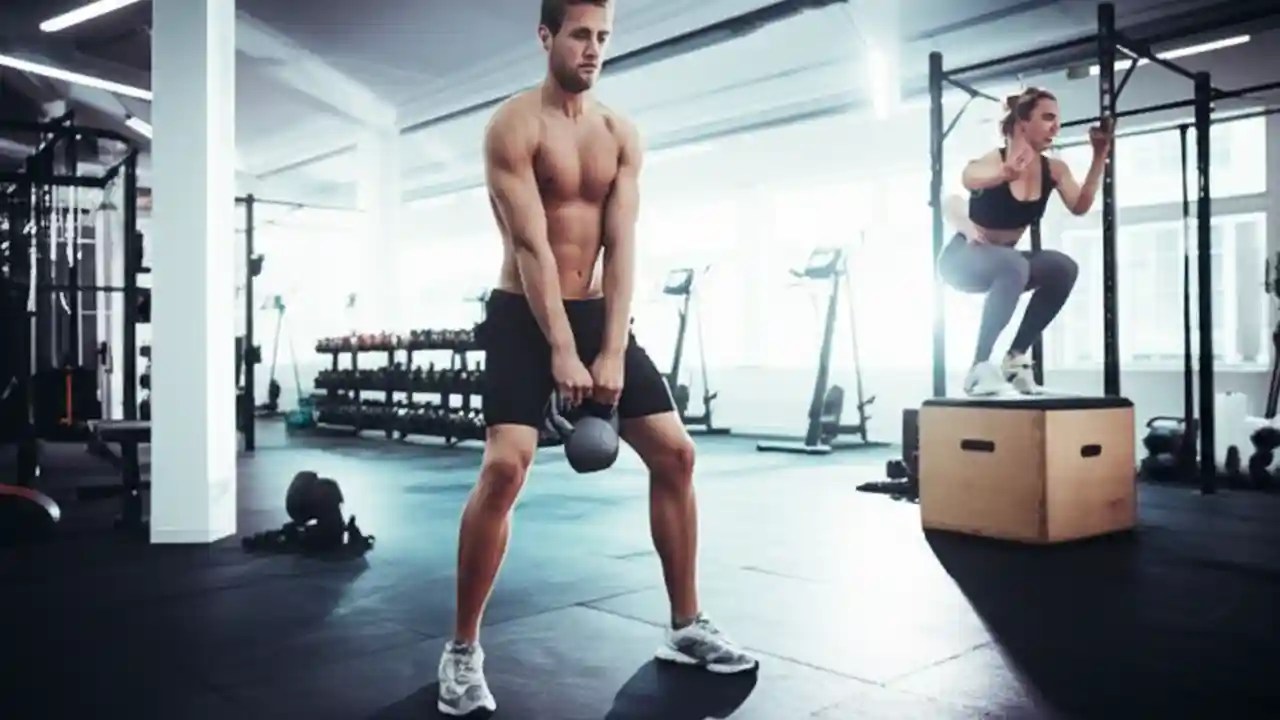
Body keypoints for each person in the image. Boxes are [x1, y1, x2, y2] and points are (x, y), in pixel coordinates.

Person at [436, 1, 759, 715]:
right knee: (503, 466)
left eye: (603, 38)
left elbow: (623, 246)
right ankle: (462, 650)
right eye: (580, 34)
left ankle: (685, 627)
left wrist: (610, 347)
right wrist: (560, 349)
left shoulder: (620, 134)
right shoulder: (512, 126)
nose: (593, 50)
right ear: (546, 36)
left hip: (596, 312)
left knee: (676, 455)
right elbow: (531, 248)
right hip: (523, 314)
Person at [940, 87, 1113, 396]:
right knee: (1015, 264)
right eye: (1047, 118)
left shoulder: (1054, 170)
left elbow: (1080, 205)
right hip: (963, 259)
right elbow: (964, 183)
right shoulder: (994, 160)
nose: (1055, 127)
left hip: (1006, 263)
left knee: (1063, 267)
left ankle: (1016, 357)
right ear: (1022, 123)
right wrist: (1002, 175)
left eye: (1057, 120)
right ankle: (978, 367)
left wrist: (1099, 155)